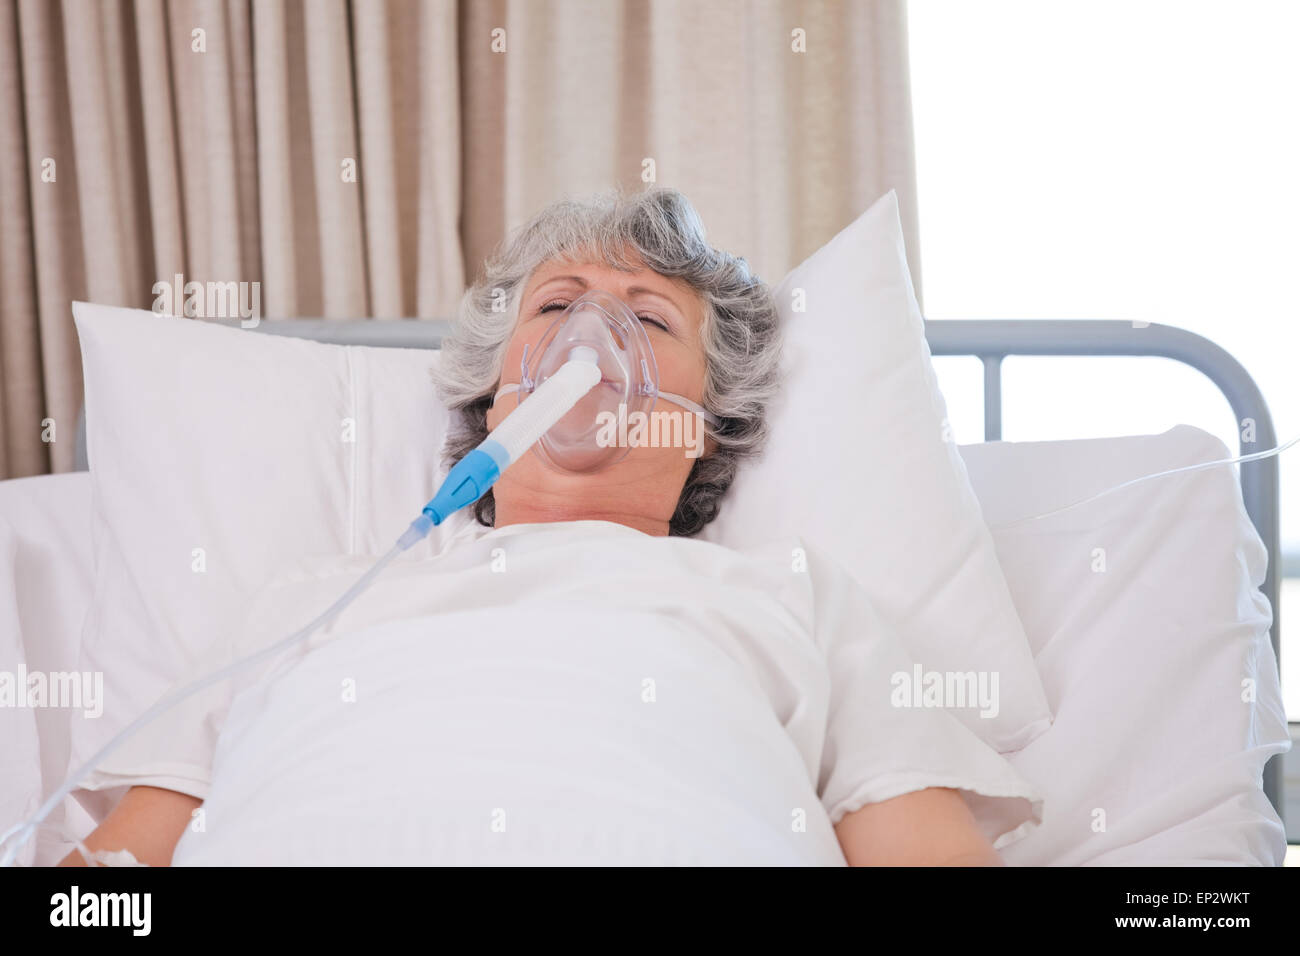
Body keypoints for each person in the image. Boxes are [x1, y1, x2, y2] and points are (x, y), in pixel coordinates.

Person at [62, 188, 1033, 866]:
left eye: (648, 321)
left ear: (709, 415)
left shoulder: (792, 596)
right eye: (558, 304)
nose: (593, 333)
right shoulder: (315, 598)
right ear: (494, 391)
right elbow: (117, 876)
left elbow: (927, 853)